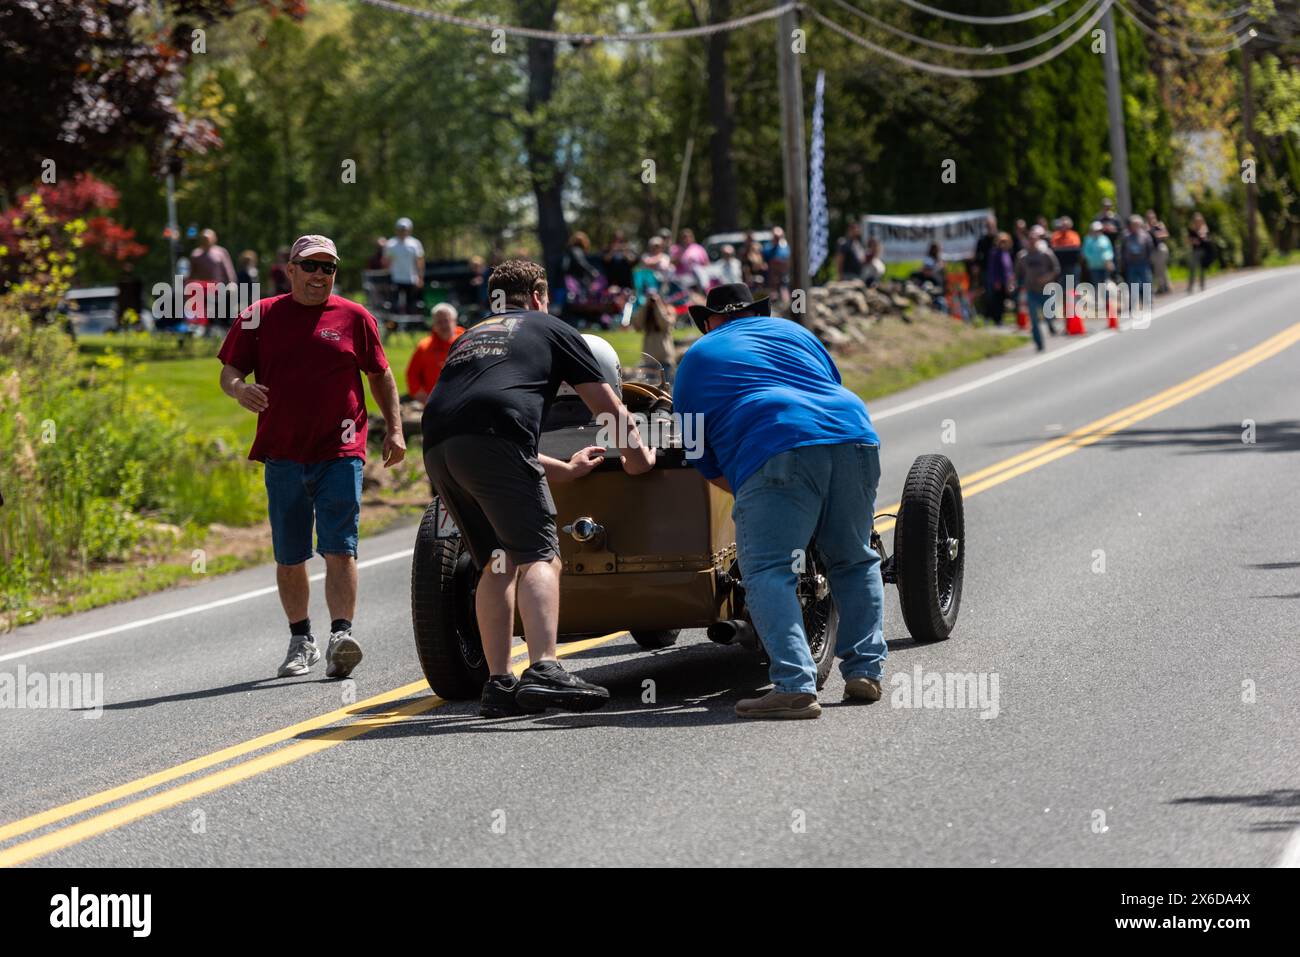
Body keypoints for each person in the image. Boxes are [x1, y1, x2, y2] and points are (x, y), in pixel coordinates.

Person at [421, 259, 655, 718]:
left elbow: (483, 426)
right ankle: (545, 668)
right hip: (492, 437)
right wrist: (638, 457)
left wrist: (563, 470)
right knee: (540, 556)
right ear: (538, 296)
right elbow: (609, 408)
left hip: (438, 443)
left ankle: (498, 683)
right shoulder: (549, 327)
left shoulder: (471, 335)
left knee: (497, 560)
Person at [673, 283, 886, 719]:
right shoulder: (798, 333)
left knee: (769, 570)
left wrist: (745, 484)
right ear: (758, 314)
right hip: (853, 432)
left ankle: (794, 686)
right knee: (854, 558)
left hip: (775, 442)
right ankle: (865, 671)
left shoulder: (698, 354)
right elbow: (829, 385)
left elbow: (693, 443)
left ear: (709, 321)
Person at [217, 234, 405, 680]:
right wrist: (240, 390)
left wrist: (394, 427)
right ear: (291, 269)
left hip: (340, 451)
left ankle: (342, 635)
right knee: (290, 555)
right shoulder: (258, 316)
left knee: (340, 546)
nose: (321, 275)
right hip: (283, 453)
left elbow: (381, 375)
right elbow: (228, 372)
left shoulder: (354, 317)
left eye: (329, 267)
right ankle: (301, 638)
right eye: (312, 266)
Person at [1015, 225, 1061, 351]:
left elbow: (1056, 269)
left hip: (1045, 290)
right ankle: (1039, 343)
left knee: (1048, 315)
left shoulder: (1046, 254)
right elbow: (1018, 274)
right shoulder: (1022, 257)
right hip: (1031, 291)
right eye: (1029, 239)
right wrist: (1014, 284)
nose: (1032, 241)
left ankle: (1051, 325)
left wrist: (1047, 278)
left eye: (1034, 239)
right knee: (1034, 319)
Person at [406, 303, 465, 402]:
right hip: (434, 405)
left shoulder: (468, 343)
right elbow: (412, 375)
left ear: (455, 321)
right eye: (439, 322)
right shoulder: (424, 347)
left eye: (446, 321)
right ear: (433, 324)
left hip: (463, 401)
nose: (443, 325)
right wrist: (421, 396)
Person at [633, 288, 677, 381]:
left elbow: (665, 324)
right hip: (649, 359)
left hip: (665, 358)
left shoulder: (669, 310)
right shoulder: (646, 313)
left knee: (667, 385)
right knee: (651, 385)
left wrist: (658, 305)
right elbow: (637, 325)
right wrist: (646, 305)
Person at [384, 216, 425, 314]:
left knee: (411, 303)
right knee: (394, 303)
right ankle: (394, 325)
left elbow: (419, 261)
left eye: (405, 229)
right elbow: (386, 262)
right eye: (401, 229)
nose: (403, 232)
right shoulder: (391, 244)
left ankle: (410, 325)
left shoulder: (415, 244)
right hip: (395, 278)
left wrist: (420, 277)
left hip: (411, 279)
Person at [983, 231, 1015, 325]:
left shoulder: (1006, 252)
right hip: (998, 281)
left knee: (1002, 300)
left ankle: (999, 318)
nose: (1003, 243)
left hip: (1006, 281)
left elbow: (1009, 267)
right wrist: (996, 281)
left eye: (1005, 241)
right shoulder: (994, 252)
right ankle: (995, 319)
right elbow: (992, 269)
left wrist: (1011, 279)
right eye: (1001, 241)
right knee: (996, 300)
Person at [1119, 214, 1154, 288]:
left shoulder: (1145, 235)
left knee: (1146, 283)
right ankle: (1134, 299)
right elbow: (1122, 250)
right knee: (1133, 285)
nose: (1135, 226)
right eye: (1133, 224)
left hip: (1143, 263)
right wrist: (1123, 262)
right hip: (1131, 264)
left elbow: (1150, 249)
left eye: (1137, 224)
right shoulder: (1126, 236)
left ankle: (1147, 299)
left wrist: (1149, 261)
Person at [1082, 220, 1114, 285]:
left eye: (1099, 230)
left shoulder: (1105, 239)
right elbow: (1086, 252)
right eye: (1095, 230)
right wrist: (1093, 259)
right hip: (1093, 266)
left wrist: (1107, 260)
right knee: (1096, 283)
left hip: (1105, 266)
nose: (1097, 232)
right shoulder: (1088, 239)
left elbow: (1109, 251)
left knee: (1105, 283)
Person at [1146, 210, 1171, 294]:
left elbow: (1165, 235)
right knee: (1157, 270)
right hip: (1152, 250)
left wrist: (1155, 232)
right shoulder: (1146, 227)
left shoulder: (1159, 225)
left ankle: (1165, 286)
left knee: (1161, 268)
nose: (1150, 219)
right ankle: (1163, 286)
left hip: (1160, 248)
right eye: (1149, 218)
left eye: (1152, 217)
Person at [1187, 212, 1212, 293]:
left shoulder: (1204, 228)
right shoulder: (1192, 230)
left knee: (1202, 269)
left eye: (1199, 220)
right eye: (1196, 220)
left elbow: (1204, 238)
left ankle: (1202, 284)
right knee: (1193, 268)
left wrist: (1198, 237)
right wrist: (1194, 240)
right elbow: (1189, 240)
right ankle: (1191, 286)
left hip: (1204, 251)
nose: (1198, 222)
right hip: (1195, 251)